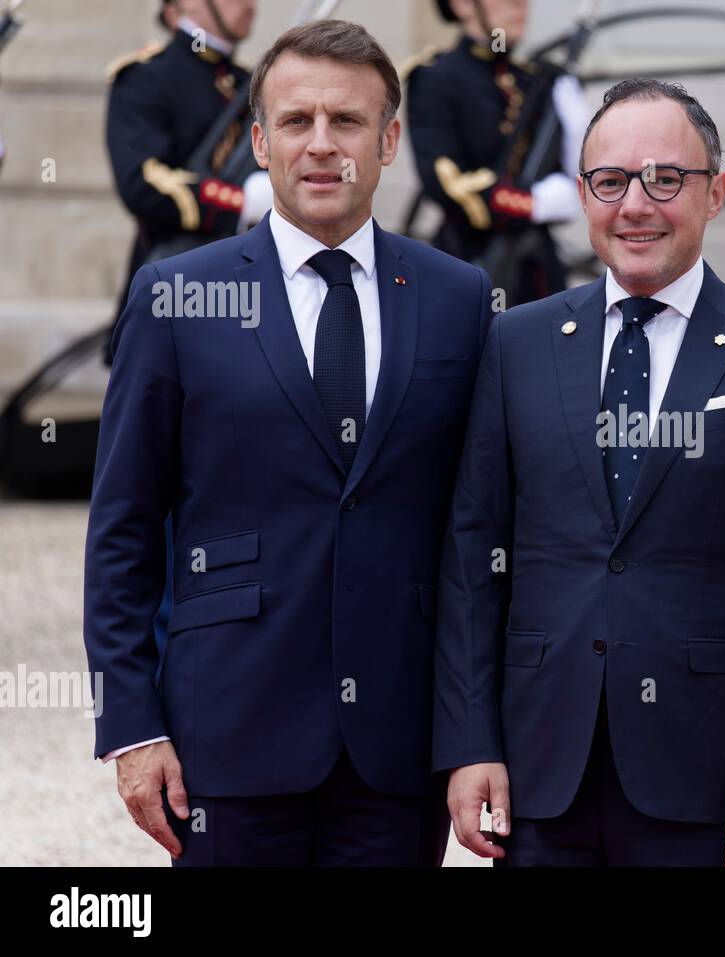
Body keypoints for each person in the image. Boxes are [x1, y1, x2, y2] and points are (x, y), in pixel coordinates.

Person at [84, 18, 492, 866]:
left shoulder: (458, 298)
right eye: (297, 122)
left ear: (388, 140)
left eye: (346, 122)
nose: (321, 145)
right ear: (261, 142)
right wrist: (131, 727)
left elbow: (478, 530)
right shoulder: (175, 296)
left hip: (399, 748)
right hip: (224, 739)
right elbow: (122, 528)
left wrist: (477, 731)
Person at [435, 78, 725, 867]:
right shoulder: (515, 343)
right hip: (537, 770)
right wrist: (469, 740)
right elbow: (470, 556)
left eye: (666, 178)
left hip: (709, 779)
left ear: (715, 191)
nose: (636, 205)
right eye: (610, 181)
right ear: (583, 194)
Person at [404, 0, 586, 304]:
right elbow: (449, 183)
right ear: (462, 6)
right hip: (468, 260)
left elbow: (565, 166)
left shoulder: (538, 79)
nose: (521, 5)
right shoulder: (436, 77)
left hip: (539, 268)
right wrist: (532, 203)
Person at [105, 0, 261, 320]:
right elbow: (142, 182)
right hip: (173, 292)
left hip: (245, 291)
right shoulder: (147, 77)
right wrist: (243, 202)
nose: (251, 4)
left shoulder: (249, 82)